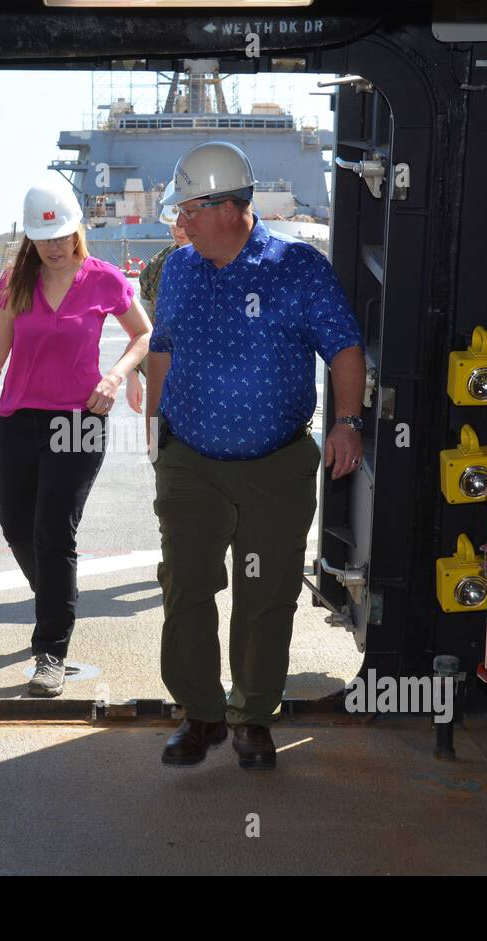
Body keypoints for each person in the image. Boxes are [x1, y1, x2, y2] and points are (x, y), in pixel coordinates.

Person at [146, 141, 366, 769]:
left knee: (265, 593)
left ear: (225, 206)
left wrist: (347, 424)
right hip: (189, 461)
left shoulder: (296, 267)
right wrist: (154, 429)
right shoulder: (181, 268)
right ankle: (201, 715)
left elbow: (345, 348)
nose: (180, 222)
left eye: (187, 209)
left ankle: (251, 716)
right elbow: (160, 349)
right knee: (185, 586)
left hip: (276, 466)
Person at [0, 180, 152, 697]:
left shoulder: (104, 280)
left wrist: (114, 378)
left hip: (78, 419)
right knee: (15, 528)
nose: (53, 245)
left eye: (61, 235)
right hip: (18, 421)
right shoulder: (16, 284)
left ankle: (50, 652)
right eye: (43, 237)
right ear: (30, 238)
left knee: (54, 531)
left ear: (77, 232)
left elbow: (143, 334)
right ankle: (53, 595)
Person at [124, 208, 189, 413]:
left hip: (209, 382)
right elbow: (144, 329)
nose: (178, 230)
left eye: (183, 222)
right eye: (172, 224)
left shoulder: (224, 263)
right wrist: (132, 373)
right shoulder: (156, 267)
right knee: (157, 441)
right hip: (165, 379)